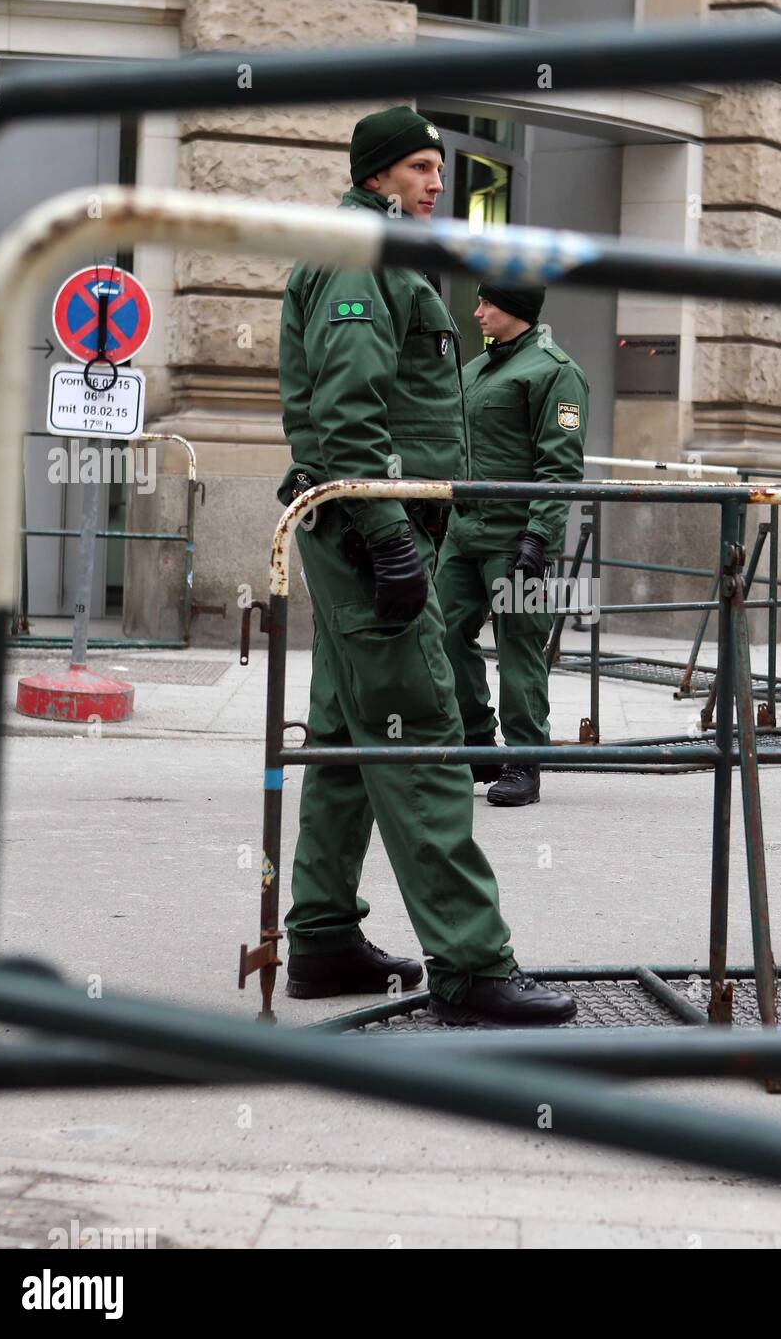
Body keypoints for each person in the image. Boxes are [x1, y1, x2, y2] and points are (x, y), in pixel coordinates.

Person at [276, 105, 576, 1026]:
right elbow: (346, 410)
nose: (435, 182)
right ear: (376, 176)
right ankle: (475, 966)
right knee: (424, 746)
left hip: (369, 536)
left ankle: (322, 940)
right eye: (417, 168)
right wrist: (392, 537)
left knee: (342, 741)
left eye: (437, 169)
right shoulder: (367, 252)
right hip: (375, 540)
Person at [435, 283, 589, 807]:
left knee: (520, 647)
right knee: (443, 633)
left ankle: (526, 760)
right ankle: (478, 744)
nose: (477, 311)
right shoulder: (474, 371)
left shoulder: (554, 371)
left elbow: (560, 467)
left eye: (488, 303)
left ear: (516, 311)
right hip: (463, 534)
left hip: (517, 538)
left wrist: (538, 538)